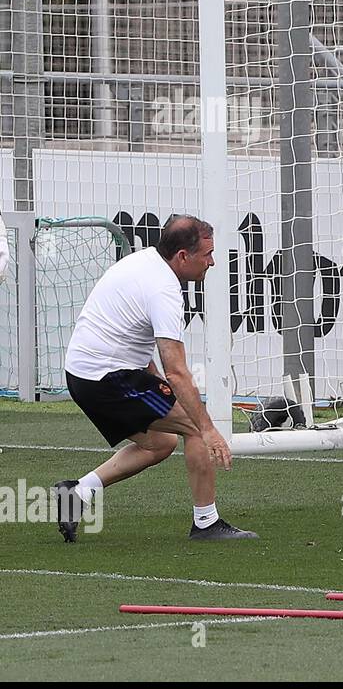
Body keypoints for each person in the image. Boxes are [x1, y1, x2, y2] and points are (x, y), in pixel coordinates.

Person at [55, 214, 256, 542]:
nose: (213, 262)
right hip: (105, 378)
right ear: (182, 257)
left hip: (87, 373)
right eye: (207, 255)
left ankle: (78, 492)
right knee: (194, 426)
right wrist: (208, 430)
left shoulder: (144, 262)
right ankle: (206, 523)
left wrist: (158, 385)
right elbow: (177, 371)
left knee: (161, 443)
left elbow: (130, 337)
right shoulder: (165, 290)